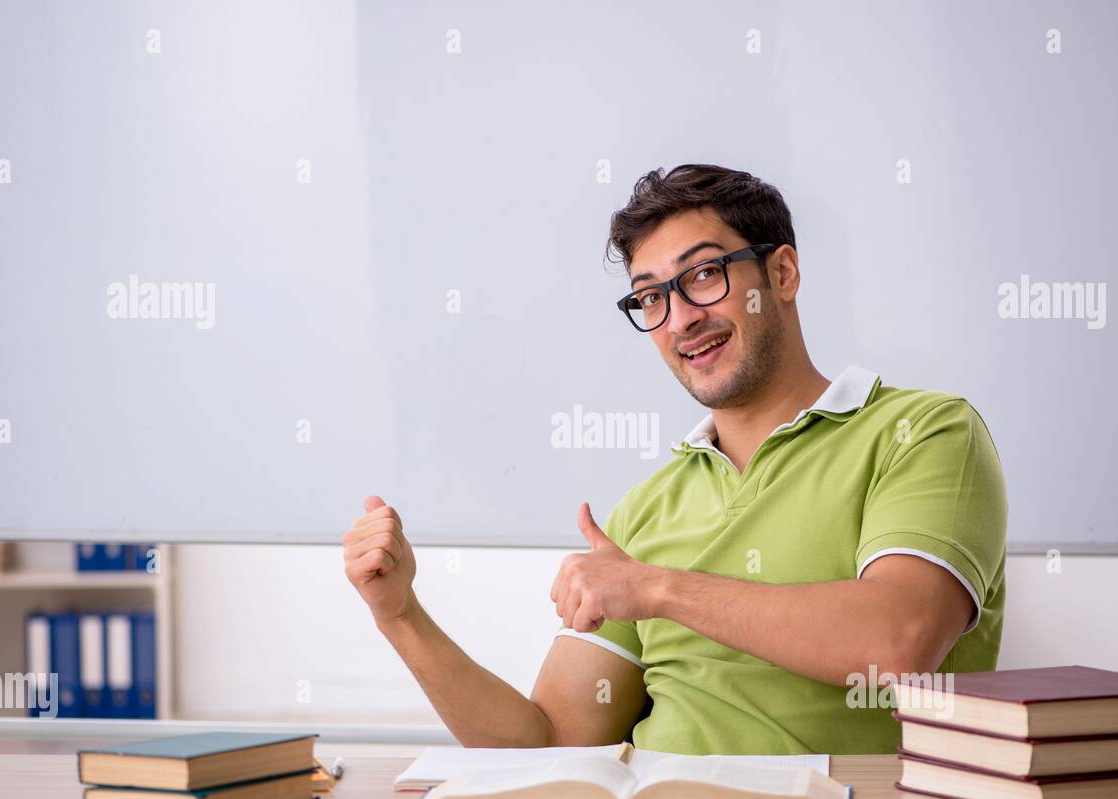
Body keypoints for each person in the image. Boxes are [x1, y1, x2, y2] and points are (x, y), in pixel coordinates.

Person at [343, 163, 1007, 754]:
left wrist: (657, 588)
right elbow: (548, 740)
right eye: (653, 296)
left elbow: (894, 643)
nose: (680, 318)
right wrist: (400, 614)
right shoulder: (646, 511)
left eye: (703, 275)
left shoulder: (924, 433)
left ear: (782, 272)